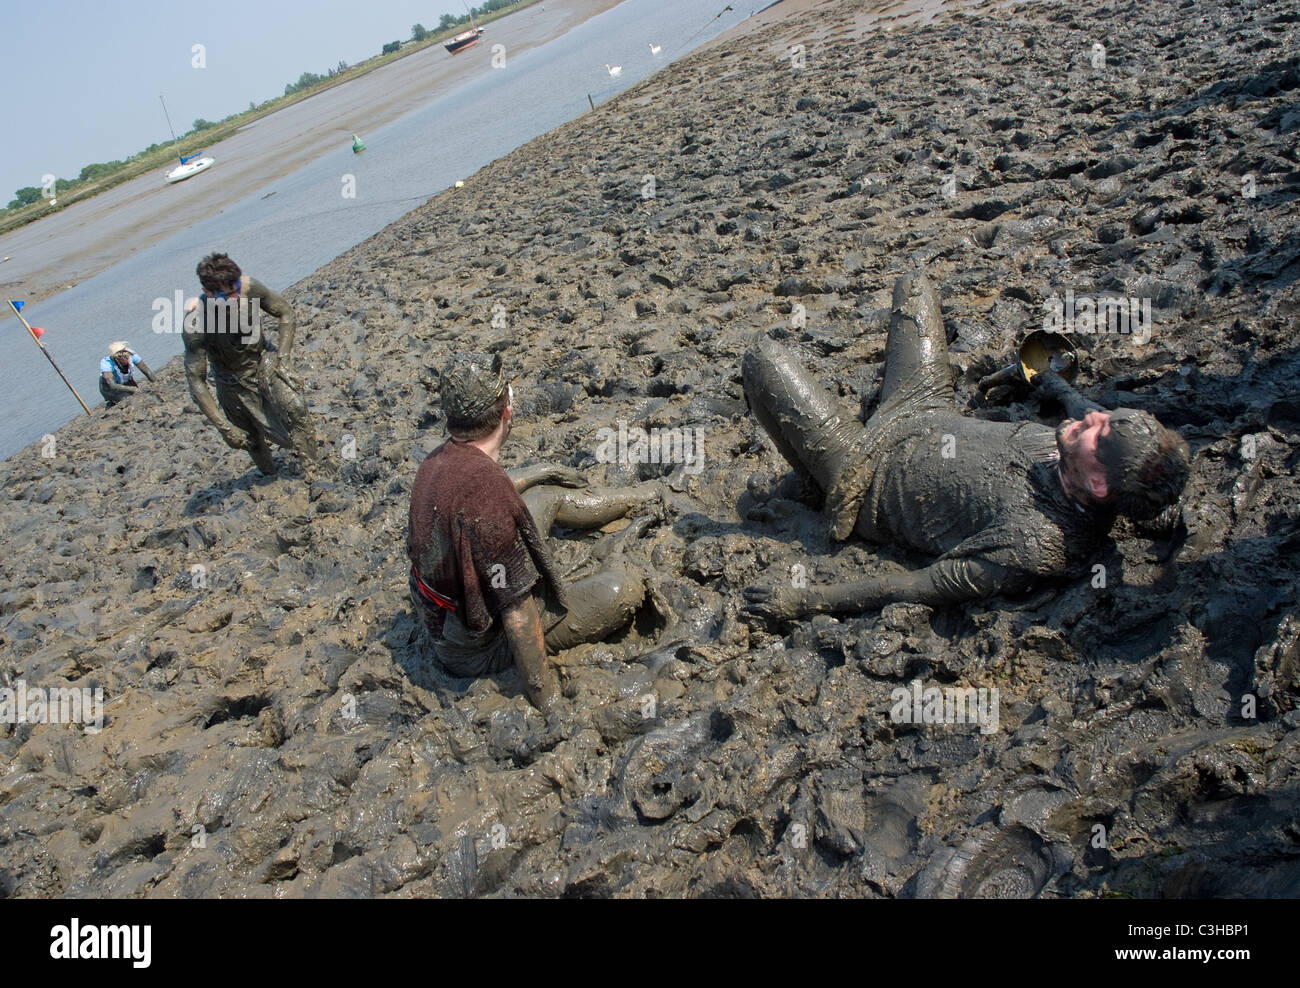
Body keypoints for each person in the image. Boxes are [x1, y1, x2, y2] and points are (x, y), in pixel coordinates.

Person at [740, 270, 1191, 622]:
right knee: (913, 286)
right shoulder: (1085, 452)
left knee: (762, 356)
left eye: (1102, 431)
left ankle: (813, 484)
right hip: (923, 405)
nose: (1093, 419)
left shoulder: (1035, 544)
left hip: (864, 474)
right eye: (1106, 418)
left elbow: (919, 586)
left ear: (1097, 483)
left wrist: (804, 601)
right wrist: (1035, 377)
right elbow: (1081, 405)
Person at [407, 351, 660, 715]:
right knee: (625, 587)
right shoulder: (488, 499)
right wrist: (548, 701)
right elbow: (518, 616)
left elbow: (480, 499)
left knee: (545, 496)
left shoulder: (437, 461)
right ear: (507, 412)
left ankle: (644, 496)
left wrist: (542, 471)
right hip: (481, 648)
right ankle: (613, 556)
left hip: (446, 617)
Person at [181, 252, 319, 476]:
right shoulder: (196, 323)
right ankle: (270, 474)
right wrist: (224, 428)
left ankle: (313, 469)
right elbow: (196, 379)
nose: (235, 299)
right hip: (230, 380)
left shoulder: (250, 288)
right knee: (250, 438)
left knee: (296, 408)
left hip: (263, 359)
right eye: (226, 296)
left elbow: (285, 313)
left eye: (235, 289)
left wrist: (283, 359)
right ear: (208, 293)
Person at [99, 341, 154, 406]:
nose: (126, 358)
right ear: (117, 358)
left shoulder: (131, 355)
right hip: (109, 388)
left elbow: (147, 371)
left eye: (126, 355)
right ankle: (111, 403)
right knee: (127, 399)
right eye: (122, 356)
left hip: (126, 381)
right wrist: (133, 389)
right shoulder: (107, 363)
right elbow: (112, 385)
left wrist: (155, 383)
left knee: (139, 395)